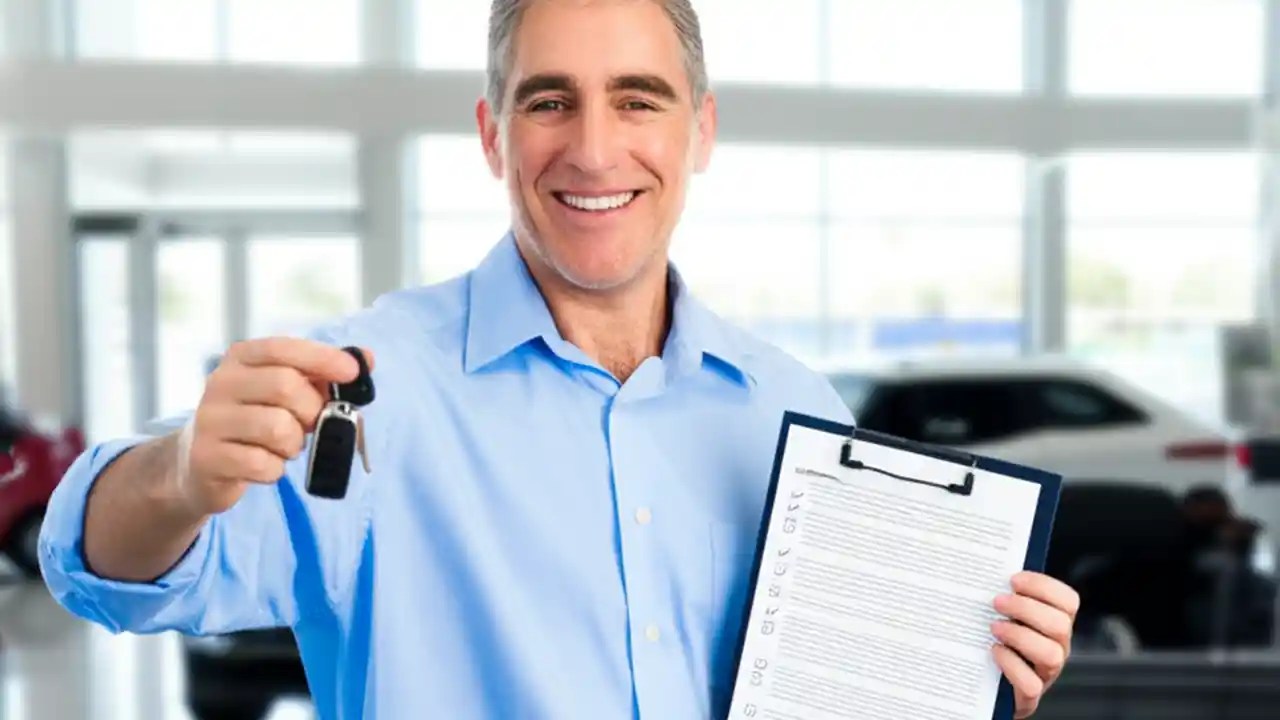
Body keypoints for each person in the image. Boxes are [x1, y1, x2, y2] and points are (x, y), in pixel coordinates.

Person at [39, 1, 1079, 718]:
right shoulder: (363, 389)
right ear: (493, 136)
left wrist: (966, 676)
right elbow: (109, 574)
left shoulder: (789, 410)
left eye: (637, 99)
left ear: (698, 132)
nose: (590, 148)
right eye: (548, 102)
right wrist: (178, 476)